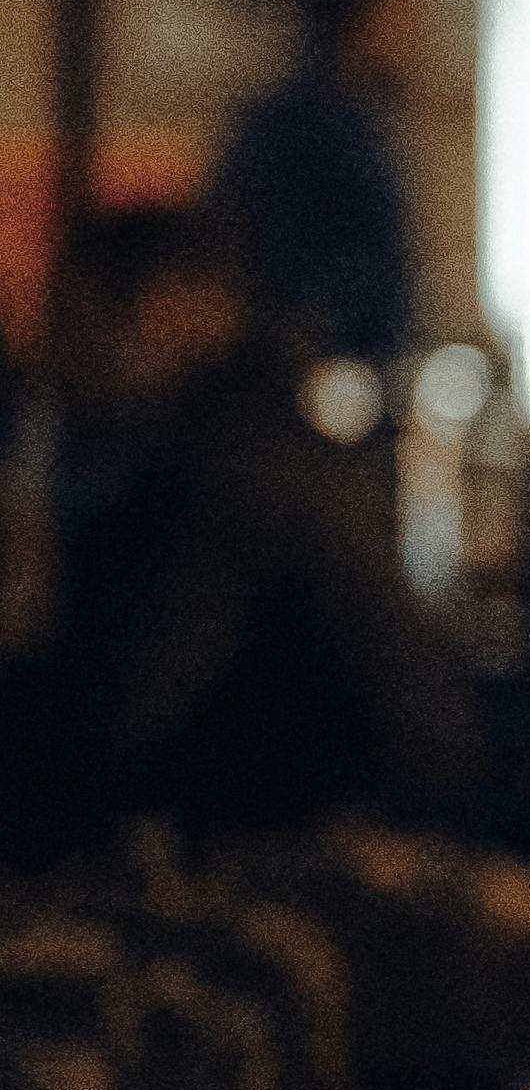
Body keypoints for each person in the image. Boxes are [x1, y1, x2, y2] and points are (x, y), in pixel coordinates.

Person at [3, 202, 479, 851]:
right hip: (361, 840)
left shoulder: (225, 477)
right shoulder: (271, 443)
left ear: (169, 308)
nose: (50, 357)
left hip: (320, 869)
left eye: (74, 321)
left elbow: (119, 718)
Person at [211, 0, 424, 395]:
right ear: (362, 14)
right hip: (311, 404)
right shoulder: (308, 133)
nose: (416, 30)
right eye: (400, 9)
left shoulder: (340, 124)